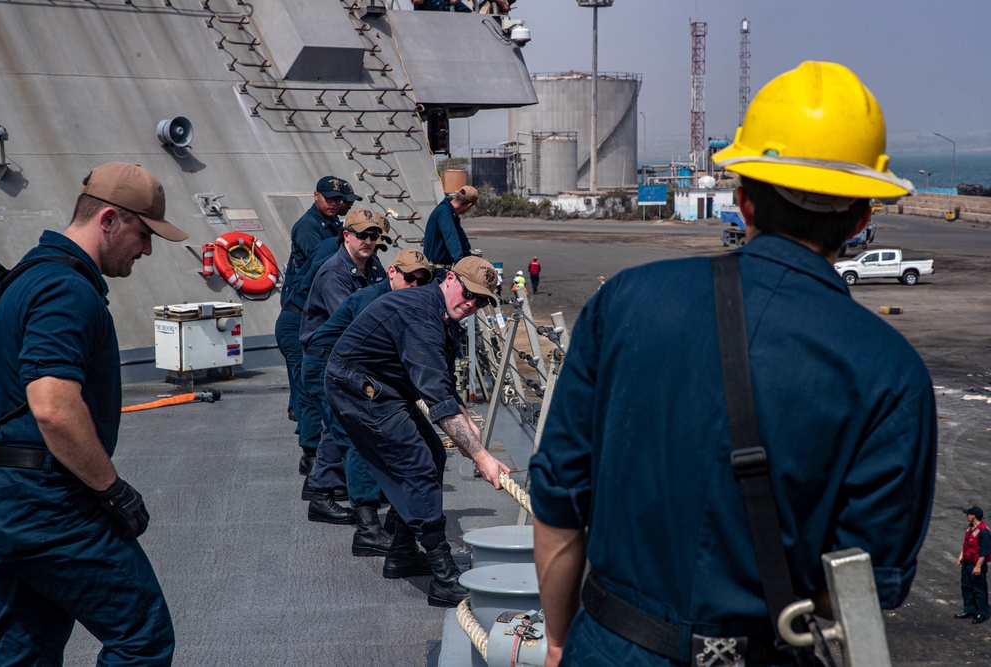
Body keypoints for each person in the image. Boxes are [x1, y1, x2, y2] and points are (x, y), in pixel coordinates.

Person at [530, 61, 938, 667]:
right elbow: (861, 586)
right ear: (861, 219)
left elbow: (560, 500)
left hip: (611, 645)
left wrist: (562, 640)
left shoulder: (626, 301)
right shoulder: (893, 373)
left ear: (743, 200)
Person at [0, 162, 188, 665]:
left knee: (23, 648)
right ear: (108, 220)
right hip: (47, 503)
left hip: (8, 496)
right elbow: (53, 407)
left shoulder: (27, 277)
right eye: (144, 234)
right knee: (141, 638)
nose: (146, 250)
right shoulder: (66, 290)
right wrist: (112, 490)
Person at [325, 256, 511, 607]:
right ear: (450, 279)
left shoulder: (442, 314)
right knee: (416, 465)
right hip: (358, 386)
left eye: (481, 300)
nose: (472, 304)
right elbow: (438, 398)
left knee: (435, 452)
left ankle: (402, 553)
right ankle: (443, 578)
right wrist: (480, 456)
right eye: (469, 293)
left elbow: (447, 390)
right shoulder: (422, 317)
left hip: (387, 386)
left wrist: (477, 445)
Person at [302, 249, 433, 556]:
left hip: (346, 368)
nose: (415, 284)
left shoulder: (400, 299)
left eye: (422, 280)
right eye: (409, 277)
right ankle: (368, 530)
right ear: (392, 273)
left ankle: (324, 491)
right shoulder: (375, 301)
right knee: (357, 440)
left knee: (344, 435)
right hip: (328, 368)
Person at [275, 175, 349, 474]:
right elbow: (325, 267)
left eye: (339, 200)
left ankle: (313, 444)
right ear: (315, 195)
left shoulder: (331, 227)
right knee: (307, 390)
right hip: (297, 319)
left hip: (308, 317)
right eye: (329, 198)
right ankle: (311, 455)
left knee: (308, 390)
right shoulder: (311, 229)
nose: (334, 203)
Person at [423, 185, 478, 279]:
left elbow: (464, 244)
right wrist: (463, 268)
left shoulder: (451, 215)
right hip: (437, 275)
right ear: (469, 206)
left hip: (441, 272)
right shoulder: (444, 212)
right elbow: (452, 241)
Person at [955, 505, 990, 624]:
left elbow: (984, 552)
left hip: (976, 564)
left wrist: (978, 566)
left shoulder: (983, 532)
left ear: (973, 515)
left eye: (968, 514)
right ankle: (969, 609)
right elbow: (966, 543)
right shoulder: (970, 528)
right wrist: (961, 555)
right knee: (966, 587)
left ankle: (981, 612)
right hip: (967, 563)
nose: (967, 516)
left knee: (979, 589)